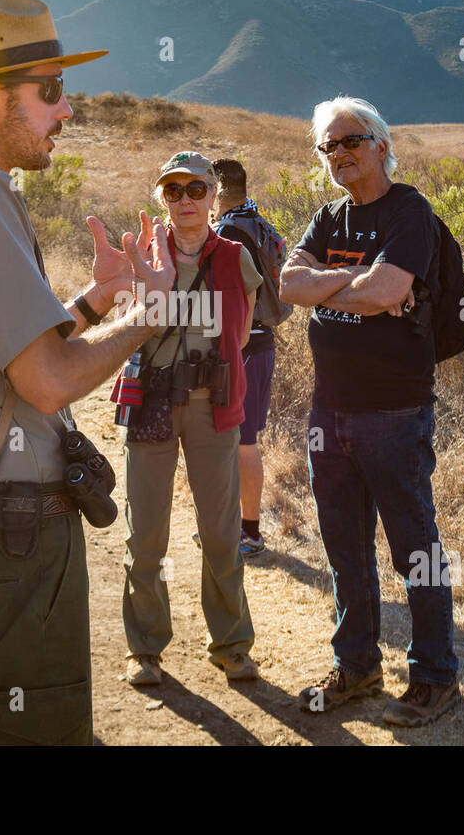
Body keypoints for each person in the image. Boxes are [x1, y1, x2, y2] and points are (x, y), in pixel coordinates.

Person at [0, 0, 175, 745]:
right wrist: (148, 314)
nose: (67, 109)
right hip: (11, 534)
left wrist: (90, 302)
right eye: (49, 90)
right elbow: (45, 381)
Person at [279, 96, 460, 726]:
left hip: (394, 410)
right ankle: (356, 666)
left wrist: (332, 280)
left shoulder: (410, 210)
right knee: (343, 547)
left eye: (350, 140)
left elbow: (389, 290)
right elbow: (286, 286)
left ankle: (436, 676)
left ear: (381, 143)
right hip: (330, 411)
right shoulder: (329, 216)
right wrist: (355, 284)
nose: (339, 154)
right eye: (327, 146)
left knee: (415, 547)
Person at [114, 151, 260, 688]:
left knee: (220, 531)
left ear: (214, 195)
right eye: (172, 191)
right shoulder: (144, 256)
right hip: (151, 403)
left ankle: (231, 645)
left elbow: (240, 337)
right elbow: (124, 328)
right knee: (145, 533)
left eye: (195, 189)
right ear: (162, 200)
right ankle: (144, 648)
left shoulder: (236, 258)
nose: (185, 201)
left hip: (211, 407)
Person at [213, 157, 280, 556]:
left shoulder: (228, 231)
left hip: (243, 347)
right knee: (236, 440)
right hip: (260, 342)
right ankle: (231, 527)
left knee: (242, 442)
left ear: (218, 190)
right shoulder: (256, 220)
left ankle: (250, 533)